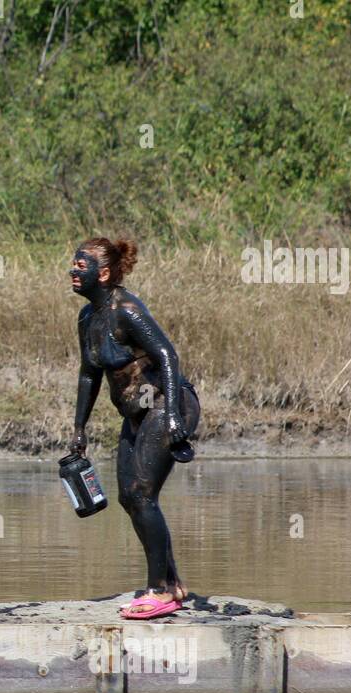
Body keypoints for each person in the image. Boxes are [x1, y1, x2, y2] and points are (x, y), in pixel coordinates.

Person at [67, 237, 200, 619]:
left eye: (81, 266)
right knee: (129, 496)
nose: (73, 271)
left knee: (141, 492)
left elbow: (168, 357)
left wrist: (174, 415)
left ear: (103, 274)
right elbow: (88, 375)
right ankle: (172, 583)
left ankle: (159, 591)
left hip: (167, 403)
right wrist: (79, 429)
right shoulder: (88, 318)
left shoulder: (127, 309)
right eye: (73, 265)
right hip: (137, 413)